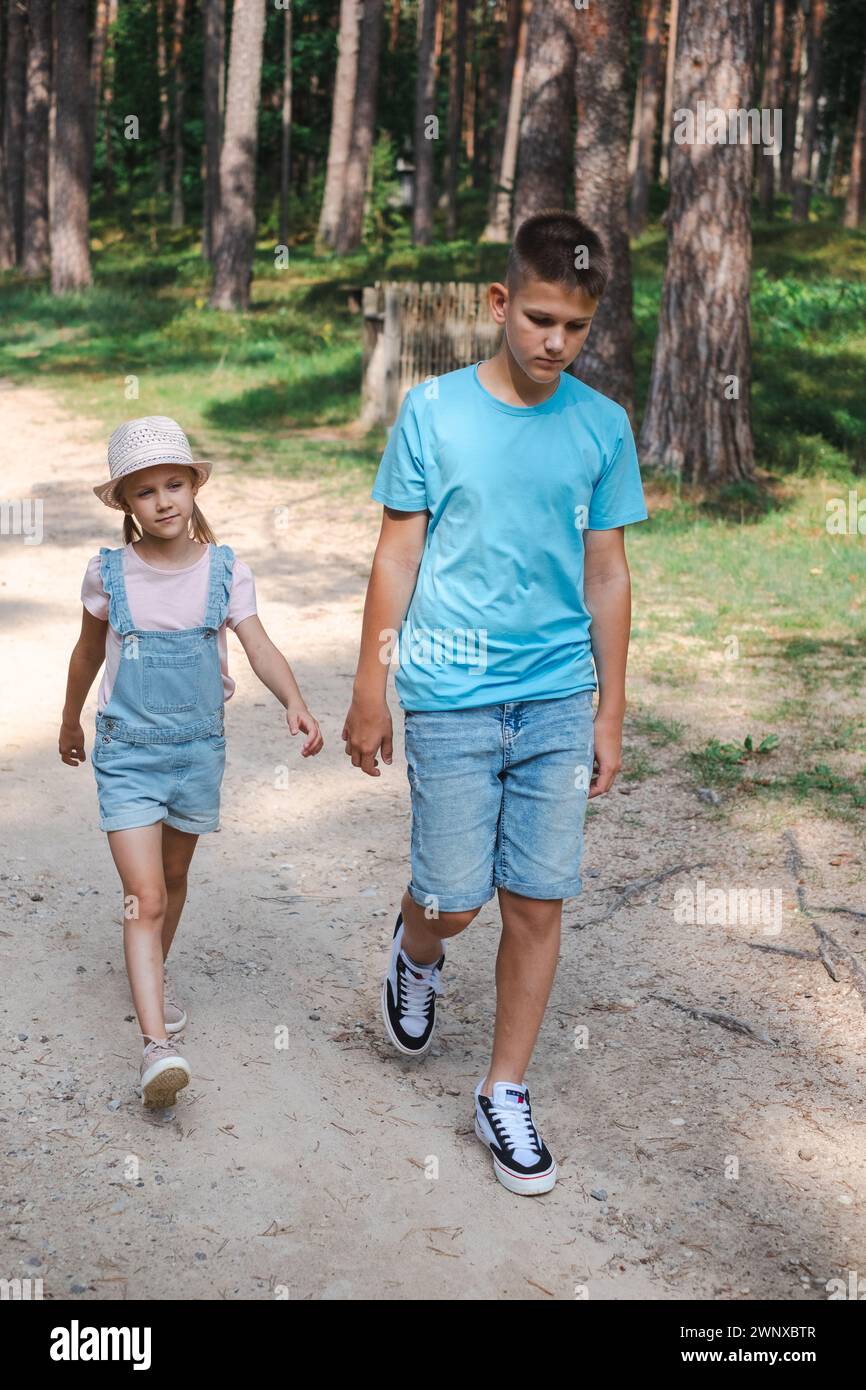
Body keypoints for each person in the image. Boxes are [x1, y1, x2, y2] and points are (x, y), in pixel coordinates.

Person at [342, 211, 648, 1195]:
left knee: (537, 897)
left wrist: (608, 710)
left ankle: (502, 1090)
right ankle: (416, 948)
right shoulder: (433, 412)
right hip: (449, 693)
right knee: (455, 900)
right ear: (499, 302)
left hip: (556, 695)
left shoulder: (601, 427)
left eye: (575, 327)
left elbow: (607, 573)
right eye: (539, 319)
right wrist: (370, 686)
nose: (555, 342)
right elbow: (397, 554)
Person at [59, 416, 323, 1108]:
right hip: (127, 755)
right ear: (125, 503)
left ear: (194, 488)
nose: (163, 501)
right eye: (145, 492)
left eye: (174, 485)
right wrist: (68, 719)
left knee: (173, 878)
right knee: (144, 895)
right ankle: (156, 1047)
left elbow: (258, 644)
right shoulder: (108, 573)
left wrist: (294, 700)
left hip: (197, 754)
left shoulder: (225, 571)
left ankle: (153, 970)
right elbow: (86, 653)